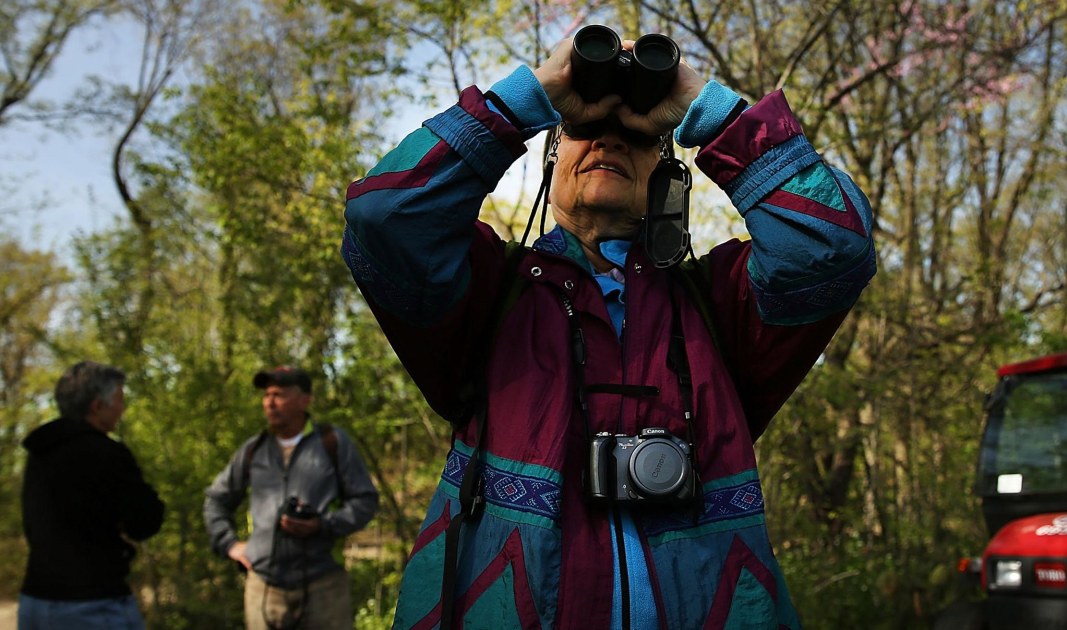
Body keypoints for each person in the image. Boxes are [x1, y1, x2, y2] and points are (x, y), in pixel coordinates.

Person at [342, 28, 877, 630]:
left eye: (639, 136)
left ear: (666, 177)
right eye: (583, 127)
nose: (610, 139)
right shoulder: (490, 289)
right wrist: (526, 100)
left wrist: (710, 111)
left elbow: (835, 246)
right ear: (551, 161)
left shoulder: (719, 306)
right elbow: (383, 217)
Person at [203, 366, 380, 630]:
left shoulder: (331, 442)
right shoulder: (254, 449)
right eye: (266, 395)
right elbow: (216, 500)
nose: (270, 402)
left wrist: (324, 525)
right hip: (263, 588)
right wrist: (229, 544)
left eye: (279, 395)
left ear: (304, 400)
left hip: (324, 586)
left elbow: (365, 500)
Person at [19, 361, 164, 630]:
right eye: (119, 400)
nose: (122, 408)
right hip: (93, 604)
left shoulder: (39, 452)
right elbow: (145, 521)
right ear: (97, 406)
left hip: (35, 602)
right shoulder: (107, 453)